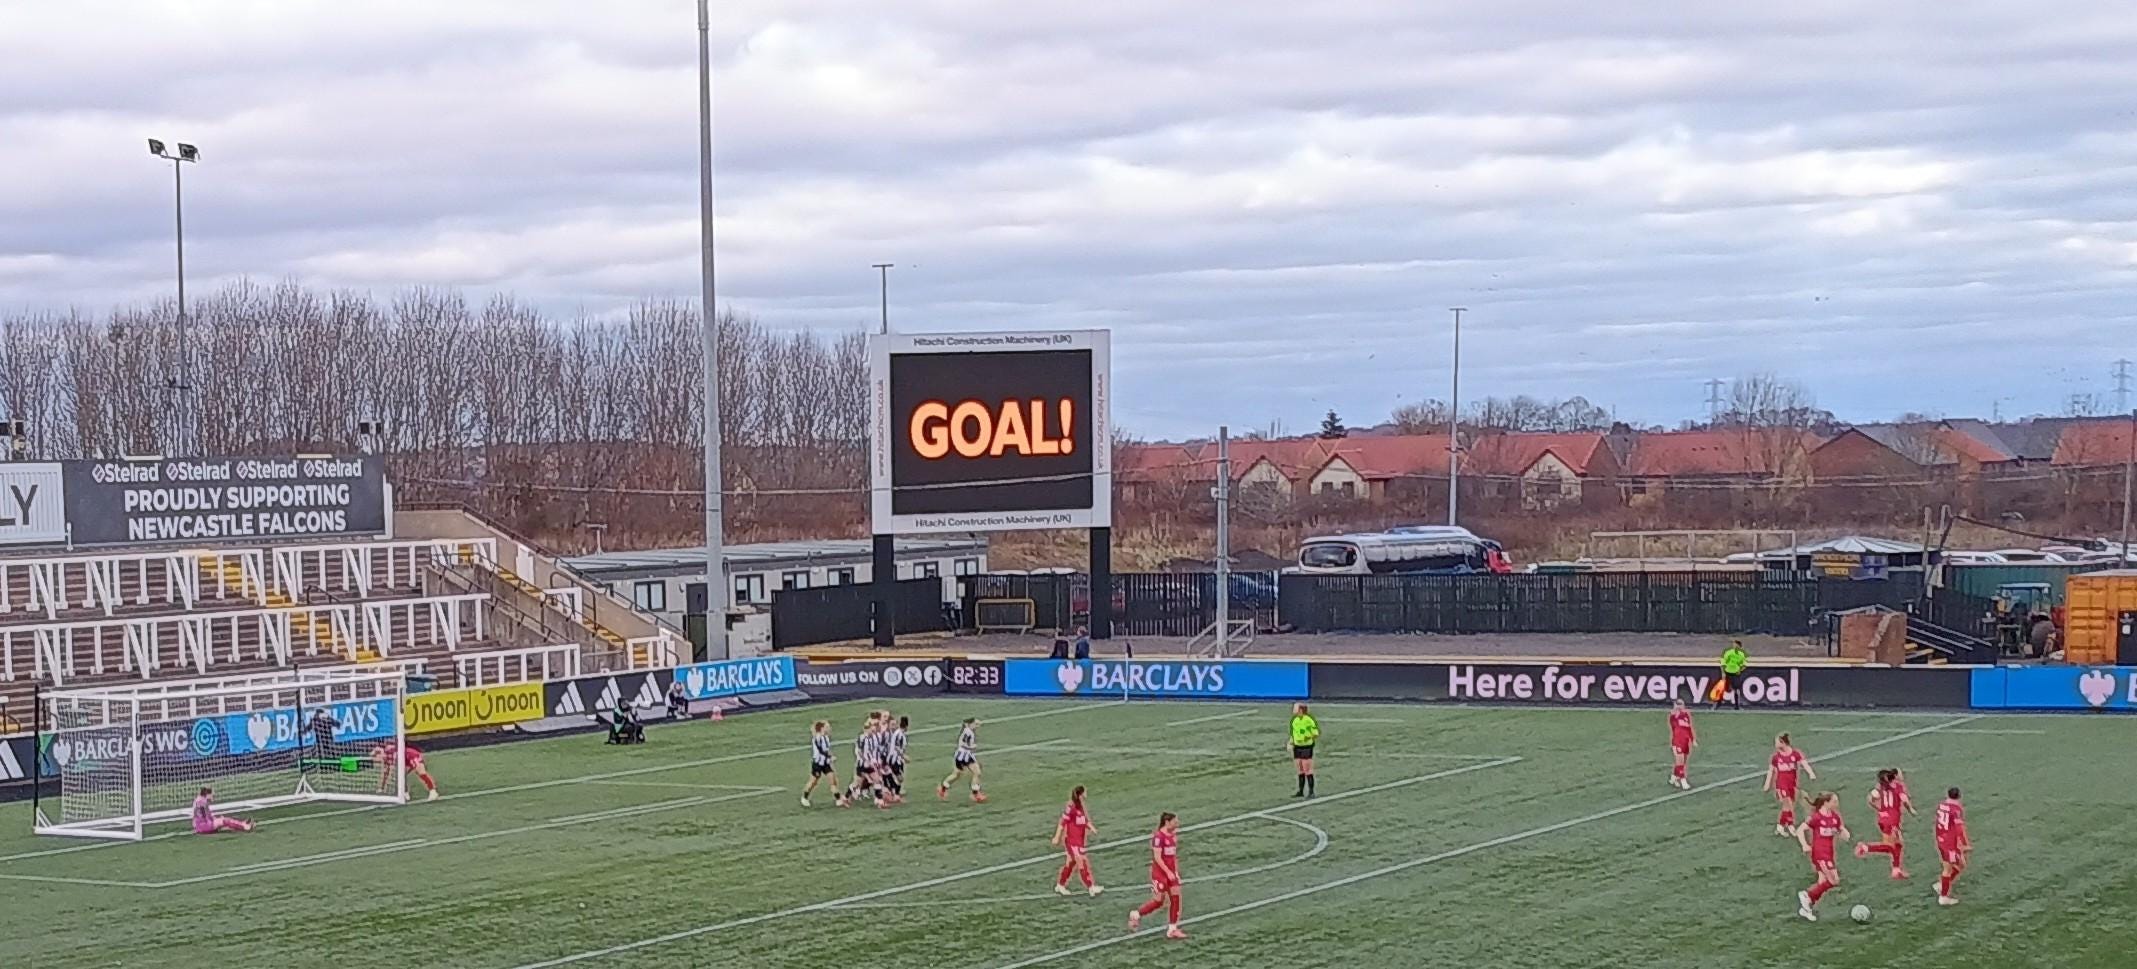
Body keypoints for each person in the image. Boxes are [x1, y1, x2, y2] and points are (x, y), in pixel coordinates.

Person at [1128, 812, 1187, 939]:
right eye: (1175, 821)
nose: (1177, 823)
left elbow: (1173, 857)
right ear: (1167, 822)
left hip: (1171, 873)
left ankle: (1172, 929)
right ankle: (1136, 914)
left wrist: (1175, 872)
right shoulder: (1158, 837)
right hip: (1159, 874)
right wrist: (1168, 872)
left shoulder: (1173, 836)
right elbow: (1157, 858)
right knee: (1158, 901)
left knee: (1176, 897)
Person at [1795, 792, 1851, 921]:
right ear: (1826, 802)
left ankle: (1806, 908)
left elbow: (1840, 830)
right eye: (1835, 801)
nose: (1837, 804)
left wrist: (1845, 834)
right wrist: (1804, 845)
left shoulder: (1835, 817)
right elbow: (1800, 830)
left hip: (1829, 853)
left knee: (1822, 882)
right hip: (1819, 853)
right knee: (1833, 880)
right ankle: (1806, 895)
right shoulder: (1816, 817)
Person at [1856, 768, 1912, 879]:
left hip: (1883, 819)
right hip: (1891, 821)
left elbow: (1870, 799)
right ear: (1895, 776)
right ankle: (1866, 847)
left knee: (1898, 844)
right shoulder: (1898, 787)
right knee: (1890, 846)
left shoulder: (1881, 787)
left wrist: (1879, 808)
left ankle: (1896, 870)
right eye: (1900, 773)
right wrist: (1911, 810)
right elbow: (1904, 800)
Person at [1052, 784, 1103, 896]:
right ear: (1080, 794)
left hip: (1079, 842)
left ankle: (1060, 885)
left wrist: (1092, 828)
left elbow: (1084, 820)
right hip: (1072, 842)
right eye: (1084, 792)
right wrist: (1057, 837)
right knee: (1082, 862)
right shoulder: (1071, 807)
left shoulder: (1080, 807)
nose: (1086, 795)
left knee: (1070, 863)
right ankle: (1091, 887)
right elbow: (1062, 823)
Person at [1762, 733, 1817, 835]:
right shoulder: (1776, 757)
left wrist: (1811, 773)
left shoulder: (1795, 754)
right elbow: (1771, 771)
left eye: (1777, 742)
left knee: (1787, 806)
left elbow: (1804, 764)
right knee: (1788, 803)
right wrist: (1767, 784)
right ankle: (1791, 825)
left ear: (1783, 742)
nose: (1775, 744)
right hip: (1781, 784)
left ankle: (1781, 826)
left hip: (1792, 784)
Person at [1934, 787, 1970, 906]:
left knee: (1961, 864)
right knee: (1948, 868)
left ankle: (1942, 885)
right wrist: (1965, 843)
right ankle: (1943, 897)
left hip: (1941, 838)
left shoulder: (1941, 805)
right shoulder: (1956, 809)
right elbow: (1959, 828)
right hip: (1949, 842)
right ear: (1959, 796)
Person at [938, 717, 986, 803]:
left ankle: (943, 788)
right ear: (970, 724)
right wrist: (971, 747)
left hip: (963, 755)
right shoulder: (968, 732)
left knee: (958, 774)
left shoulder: (968, 730)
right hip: (964, 756)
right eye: (975, 724)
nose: (977, 726)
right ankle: (975, 794)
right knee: (975, 773)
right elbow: (961, 743)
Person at [373, 740, 440, 801]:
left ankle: (433, 792)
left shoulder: (389, 752)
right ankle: (405, 793)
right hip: (405, 760)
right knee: (401, 775)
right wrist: (380, 789)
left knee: (421, 773)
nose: (376, 760)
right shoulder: (386, 758)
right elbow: (385, 773)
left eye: (376, 756)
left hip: (412, 755)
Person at [801, 720, 840, 808]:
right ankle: (804, 797)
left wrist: (829, 756)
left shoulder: (826, 737)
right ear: (822, 728)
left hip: (825, 763)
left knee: (832, 779)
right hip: (817, 764)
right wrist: (830, 757)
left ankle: (838, 799)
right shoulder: (817, 738)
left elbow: (827, 750)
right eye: (827, 727)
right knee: (813, 782)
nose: (829, 728)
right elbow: (821, 750)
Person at [1288, 703, 1320, 798]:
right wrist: (1290, 742)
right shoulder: (1295, 721)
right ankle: (1300, 791)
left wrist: (1307, 737)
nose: (1293, 710)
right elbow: (1293, 734)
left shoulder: (1308, 720)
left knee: (1307, 769)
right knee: (1299, 769)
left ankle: (1311, 791)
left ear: (1300, 710)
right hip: (1297, 747)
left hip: (1306, 747)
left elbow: (1315, 733)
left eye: (1295, 708)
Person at [1667, 699, 1696, 790]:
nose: (1680, 706)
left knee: (1682, 762)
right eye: (1678, 704)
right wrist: (1676, 711)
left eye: (1681, 704)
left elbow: (1689, 728)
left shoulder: (1686, 715)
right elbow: (1673, 722)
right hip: (1677, 741)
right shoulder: (1673, 716)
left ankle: (1673, 778)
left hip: (1685, 741)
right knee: (1680, 760)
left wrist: (1693, 739)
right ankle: (1683, 781)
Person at [881, 713, 909, 805]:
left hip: (896, 759)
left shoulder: (898, 733)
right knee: (899, 778)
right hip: (894, 759)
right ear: (907, 726)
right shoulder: (899, 734)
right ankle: (894, 795)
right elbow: (897, 747)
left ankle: (893, 793)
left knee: (898, 777)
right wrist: (903, 756)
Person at [1714, 640, 1749, 710]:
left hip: (1735, 674)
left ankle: (1737, 706)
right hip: (1727, 672)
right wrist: (1723, 673)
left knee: (1736, 689)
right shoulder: (1728, 653)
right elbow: (1723, 663)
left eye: (1736, 645)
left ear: (1739, 646)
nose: (1734, 646)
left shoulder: (1741, 655)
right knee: (1722, 689)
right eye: (1733, 645)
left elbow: (1744, 665)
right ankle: (1718, 704)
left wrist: (1740, 670)